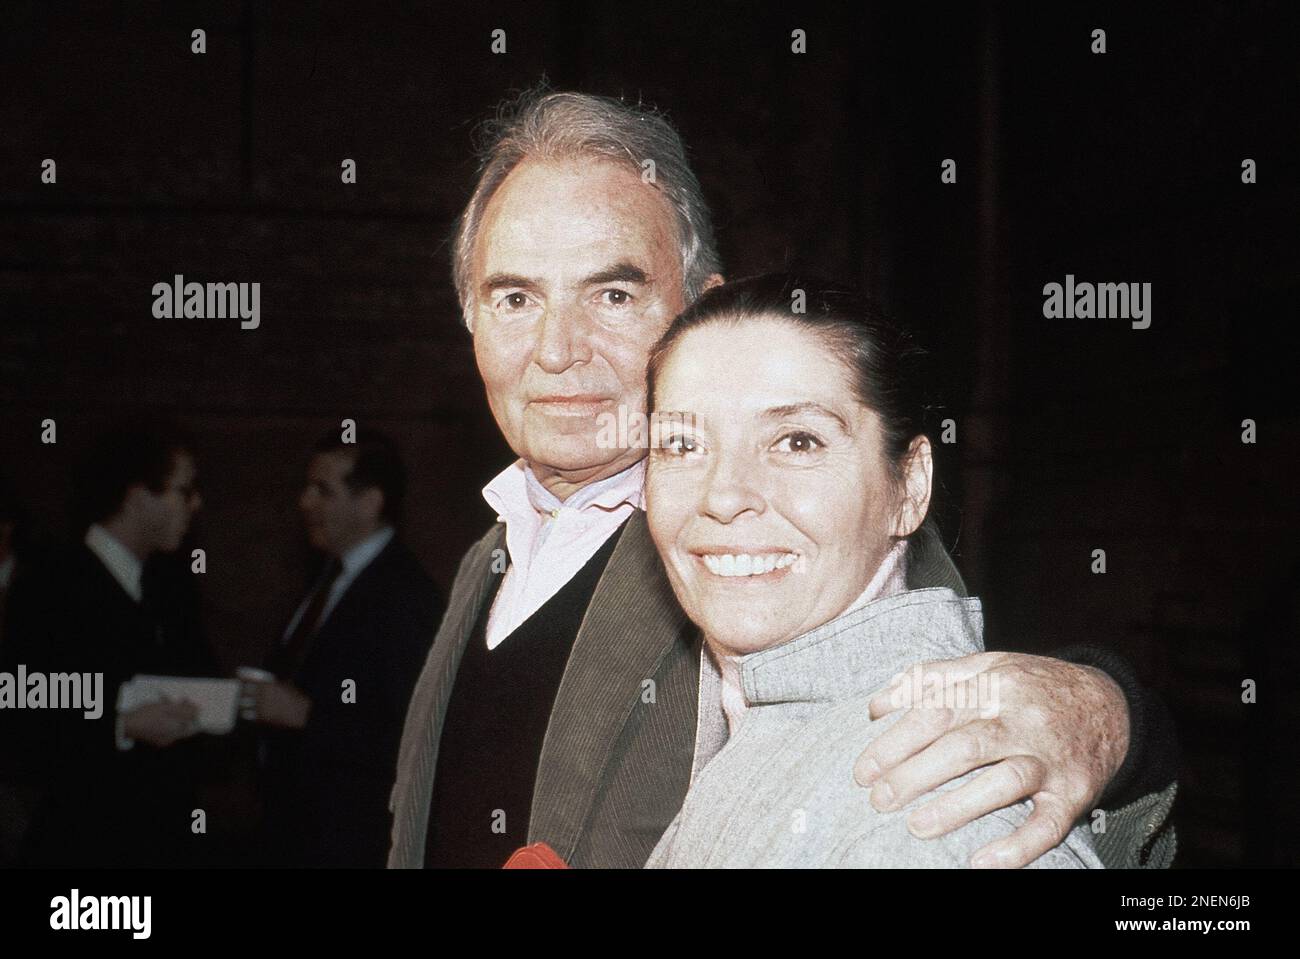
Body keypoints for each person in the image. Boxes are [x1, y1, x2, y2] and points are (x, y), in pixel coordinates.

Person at [389, 88, 1177, 870]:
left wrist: (1112, 714)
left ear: (699, 310)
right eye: (515, 297)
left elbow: (961, 737)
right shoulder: (490, 552)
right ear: (470, 317)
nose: (559, 349)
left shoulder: (762, 545)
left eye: (615, 294)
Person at [642, 274, 1101, 867]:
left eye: (797, 441)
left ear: (909, 487)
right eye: (681, 445)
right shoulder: (756, 724)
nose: (724, 496)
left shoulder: (933, 806)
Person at [6, 422, 214, 867]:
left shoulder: (172, 587)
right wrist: (121, 725)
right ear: (136, 497)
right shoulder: (49, 585)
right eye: (184, 491)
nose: (196, 504)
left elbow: (200, 677)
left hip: (164, 840)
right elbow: (22, 719)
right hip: (81, 844)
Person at [246, 429, 443, 867]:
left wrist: (306, 716)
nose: (305, 502)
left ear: (370, 502)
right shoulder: (329, 578)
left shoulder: (405, 597)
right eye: (307, 487)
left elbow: (412, 736)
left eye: (323, 490)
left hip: (350, 845)